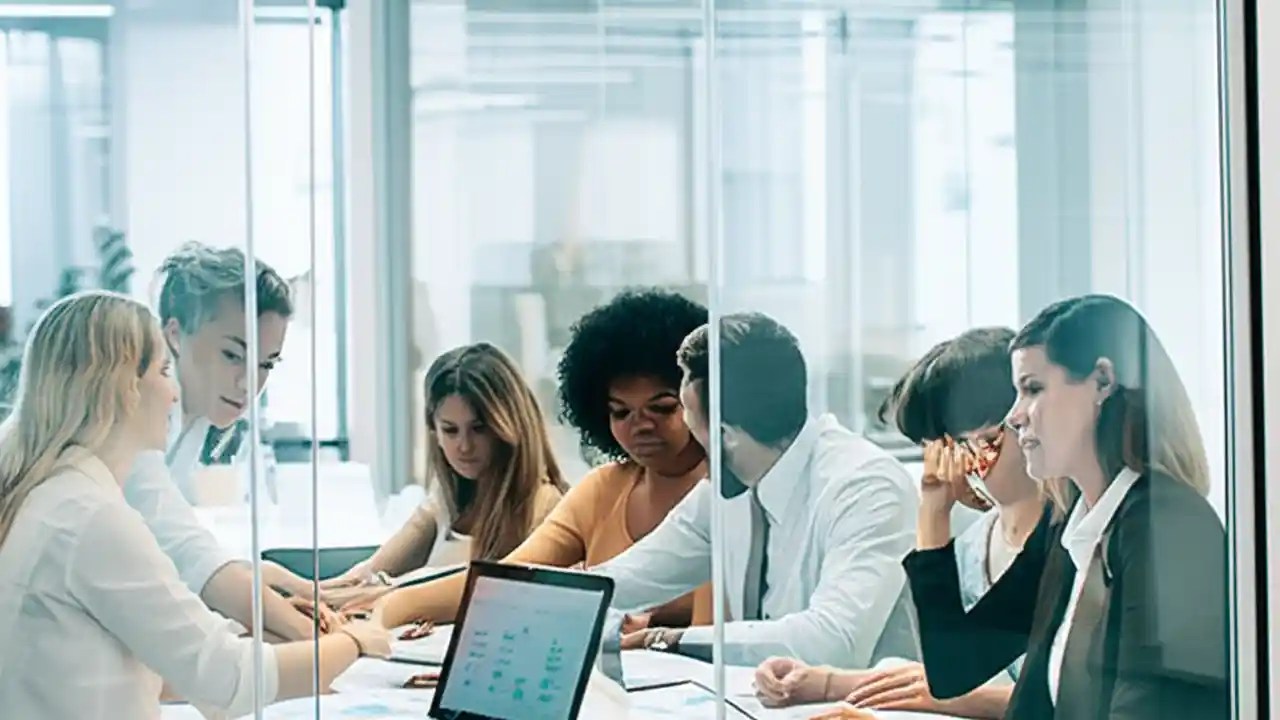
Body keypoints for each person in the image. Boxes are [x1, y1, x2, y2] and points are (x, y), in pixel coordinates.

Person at [0, 292, 389, 719]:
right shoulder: (90, 516)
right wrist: (356, 641)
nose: (173, 393)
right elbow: (229, 680)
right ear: (124, 388)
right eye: (165, 370)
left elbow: (156, 662)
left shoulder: (53, 492)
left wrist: (267, 638)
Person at [903, 295, 1227, 719]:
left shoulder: (1169, 530)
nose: (1015, 417)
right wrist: (933, 511)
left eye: (1032, 389)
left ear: (1102, 382)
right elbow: (954, 668)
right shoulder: (1069, 524)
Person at [373, 289, 713, 629]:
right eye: (621, 412)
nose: (641, 426)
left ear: (699, 401)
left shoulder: (722, 497)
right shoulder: (601, 490)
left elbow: (712, 638)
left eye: (662, 408)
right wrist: (386, 609)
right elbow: (508, 580)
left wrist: (649, 635)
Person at [755, 328, 1045, 718]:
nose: (955, 462)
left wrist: (934, 514)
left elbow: (1065, 696)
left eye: (972, 441)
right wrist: (824, 682)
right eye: (942, 447)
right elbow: (941, 674)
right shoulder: (974, 544)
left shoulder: (1067, 537)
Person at [605, 312, 920, 669]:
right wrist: (552, 598)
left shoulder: (865, 487)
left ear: (726, 434)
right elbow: (630, 576)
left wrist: (664, 640)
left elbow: (834, 642)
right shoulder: (729, 487)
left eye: (694, 426)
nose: (693, 444)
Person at [124, 242, 325, 642]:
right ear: (175, 334)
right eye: (234, 355)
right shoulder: (139, 415)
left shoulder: (193, 419)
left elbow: (171, 547)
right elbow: (184, 550)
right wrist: (327, 638)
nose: (251, 382)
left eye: (266, 364)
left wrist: (283, 587)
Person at [265, 343, 569, 604]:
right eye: (450, 430)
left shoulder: (544, 505)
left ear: (508, 427)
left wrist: (386, 596)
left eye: (479, 429)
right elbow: (368, 575)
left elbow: (492, 597)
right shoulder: (446, 501)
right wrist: (300, 593)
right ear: (433, 430)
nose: (463, 446)